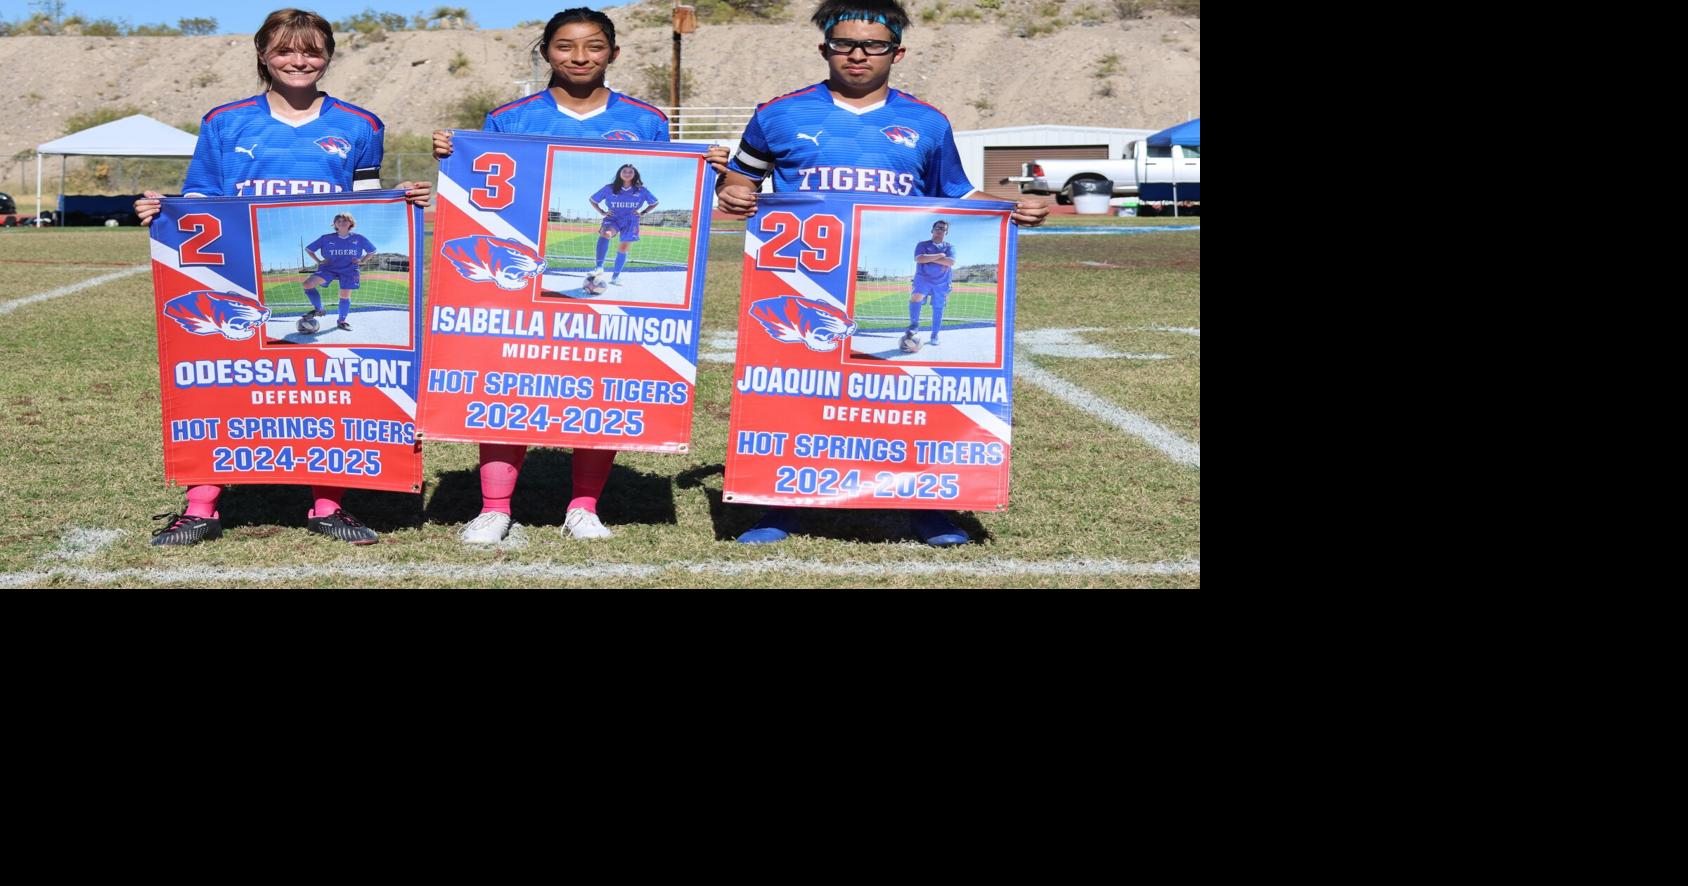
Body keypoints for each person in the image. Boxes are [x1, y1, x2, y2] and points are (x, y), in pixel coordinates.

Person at [716, 0, 1048, 547]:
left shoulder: (927, 121)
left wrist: (1010, 208)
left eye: (872, 45)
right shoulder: (779, 113)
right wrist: (731, 189)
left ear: (897, 51)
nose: (857, 54)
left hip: (881, 276)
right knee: (795, 393)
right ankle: (780, 503)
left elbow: (958, 196)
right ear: (824, 48)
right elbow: (742, 181)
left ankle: (926, 505)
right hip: (803, 279)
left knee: (905, 392)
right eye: (843, 43)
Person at [136, 7, 432, 547]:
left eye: (312, 50)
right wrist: (163, 211)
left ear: (328, 56)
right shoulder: (224, 121)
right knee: (222, 385)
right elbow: (202, 195)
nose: (299, 60)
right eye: (285, 50)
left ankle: (327, 505)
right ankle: (200, 507)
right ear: (263, 55)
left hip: (296, 272)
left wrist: (400, 199)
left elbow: (365, 198)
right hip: (235, 275)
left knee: (330, 387)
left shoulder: (359, 125)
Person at [433, 7, 725, 545]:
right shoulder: (509, 118)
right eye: (566, 46)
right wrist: (453, 155)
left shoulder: (645, 122)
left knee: (600, 383)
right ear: (546, 51)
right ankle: (494, 507)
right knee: (506, 378)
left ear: (613, 53)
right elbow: (484, 194)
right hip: (523, 277)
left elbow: (673, 179)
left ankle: (584, 506)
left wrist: (706, 166)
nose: (580, 56)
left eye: (593, 46)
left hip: (602, 284)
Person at [586, 164, 659, 287]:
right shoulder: (609, 188)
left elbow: (655, 202)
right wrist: (602, 212)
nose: (627, 173)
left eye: (630, 171)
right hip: (613, 218)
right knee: (606, 234)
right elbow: (593, 200)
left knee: (623, 248)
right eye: (624, 171)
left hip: (631, 221)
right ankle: (599, 268)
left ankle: (616, 277)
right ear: (620, 173)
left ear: (634, 174)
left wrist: (643, 213)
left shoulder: (641, 190)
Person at [302, 212, 377, 331]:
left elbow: (372, 251)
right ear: (335, 224)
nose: (342, 223)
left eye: (345, 221)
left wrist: (362, 260)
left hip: (349, 270)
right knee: (307, 284)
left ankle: (342, 321)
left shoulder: (359, 238)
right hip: (329, 268)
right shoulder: (326, 238)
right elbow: (309, 249)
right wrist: (318, 261)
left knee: (344, 296)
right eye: (339, 221)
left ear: (350, 223)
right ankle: (319, 309)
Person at [905, 218, 953, 349]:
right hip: (923, 278)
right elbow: (919, 258)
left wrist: (929, 258)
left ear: (946, 232)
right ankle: (914, 326)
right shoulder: (922, 244)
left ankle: (935, 335)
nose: (940, 230)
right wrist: (940, 256)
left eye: (943, 229)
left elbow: (950, 262)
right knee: (916, 297)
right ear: (932, 230)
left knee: (938, 307)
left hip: (942, 281)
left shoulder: (949, 247)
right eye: (937, 228)